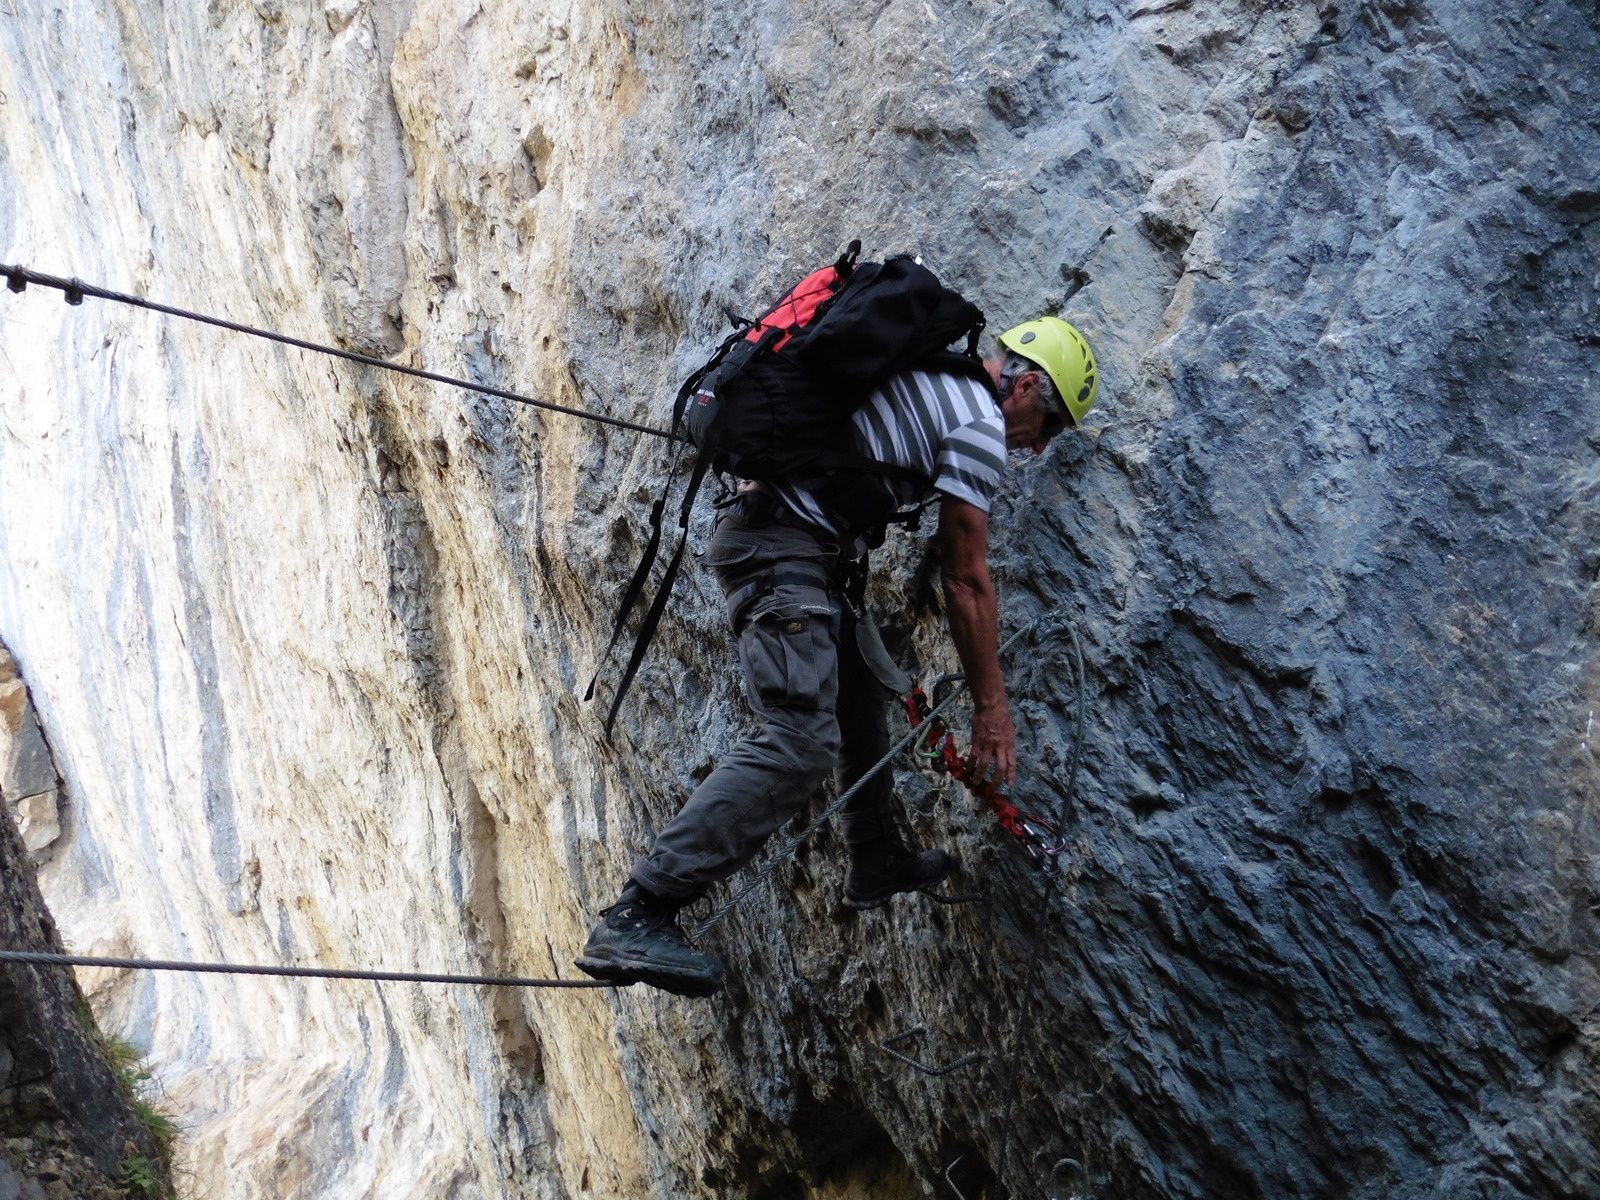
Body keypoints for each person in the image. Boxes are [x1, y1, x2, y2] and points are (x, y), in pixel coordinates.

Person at [577, 316, 1100, 996]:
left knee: (857, 688)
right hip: (780, 551)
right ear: (1028, 385)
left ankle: (873, 853)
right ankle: (641, 909)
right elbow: (967, 576)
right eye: (1049, 426)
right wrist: (991, 709)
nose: (1037, 447)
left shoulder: (937, 378)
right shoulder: (978, 425)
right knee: (799, 740)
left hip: (793, 545)